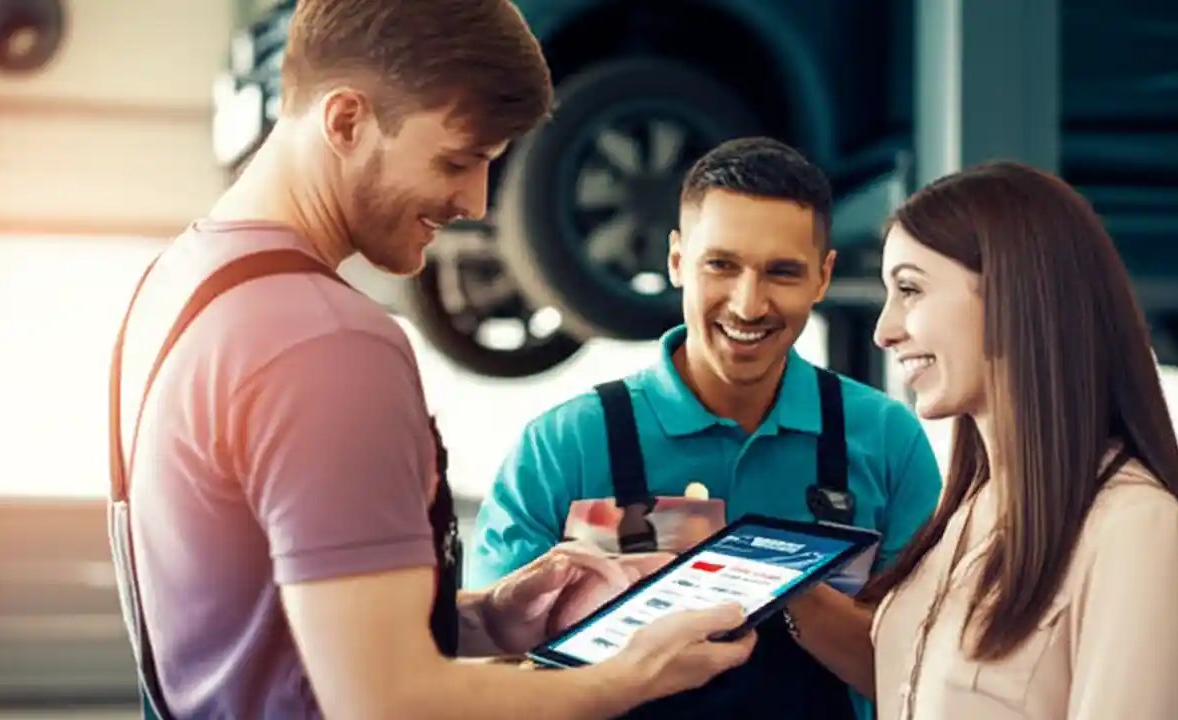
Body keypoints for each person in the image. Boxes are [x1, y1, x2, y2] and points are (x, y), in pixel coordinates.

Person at [107, 2, 755, 718]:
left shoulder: (177, 285)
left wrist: (488, 617)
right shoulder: (326, 344)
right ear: (347, 120)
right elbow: (389, 702)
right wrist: (632, 675)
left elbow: (265, 633)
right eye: (457, 159)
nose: (476, 203)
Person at [466, 137, 944, 718]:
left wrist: (783, 586)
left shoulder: (887, 439)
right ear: (676, 261)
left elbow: (926, 678)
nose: (748, 304)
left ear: (823, 277)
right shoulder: (562, 448)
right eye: (721, 265)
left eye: (782, 273)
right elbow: (492, 677)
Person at [790, 160, 1178, 719]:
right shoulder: (963, 516)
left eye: (910, 289)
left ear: (1010, 295)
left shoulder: (1135, 528)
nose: (885, 329)